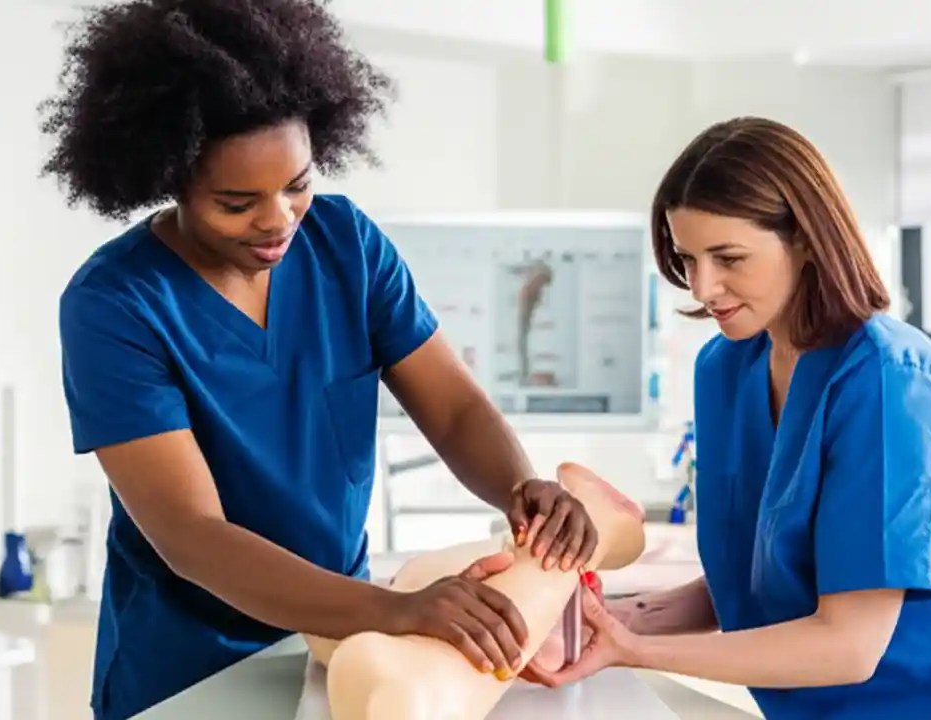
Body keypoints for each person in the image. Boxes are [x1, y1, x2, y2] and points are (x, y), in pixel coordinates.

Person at [41, 2, 599, 718]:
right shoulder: (115, 304)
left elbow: (454, 409)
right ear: (170, 177)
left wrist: (522, 489)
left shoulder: (346, 245)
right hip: (187, 670)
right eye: (237, 202)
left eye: (297, 184)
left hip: (336, 648)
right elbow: (193, 537)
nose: (278, 220)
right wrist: (396, 612)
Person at [524, 117, 931, 719]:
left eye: (728, 257)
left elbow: (848, 646)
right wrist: (610, 619)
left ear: (808, 240)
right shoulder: (726, 367)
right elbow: (756, 579)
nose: (703, 286)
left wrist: (634, 649)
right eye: (687, 258)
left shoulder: (891, 381)